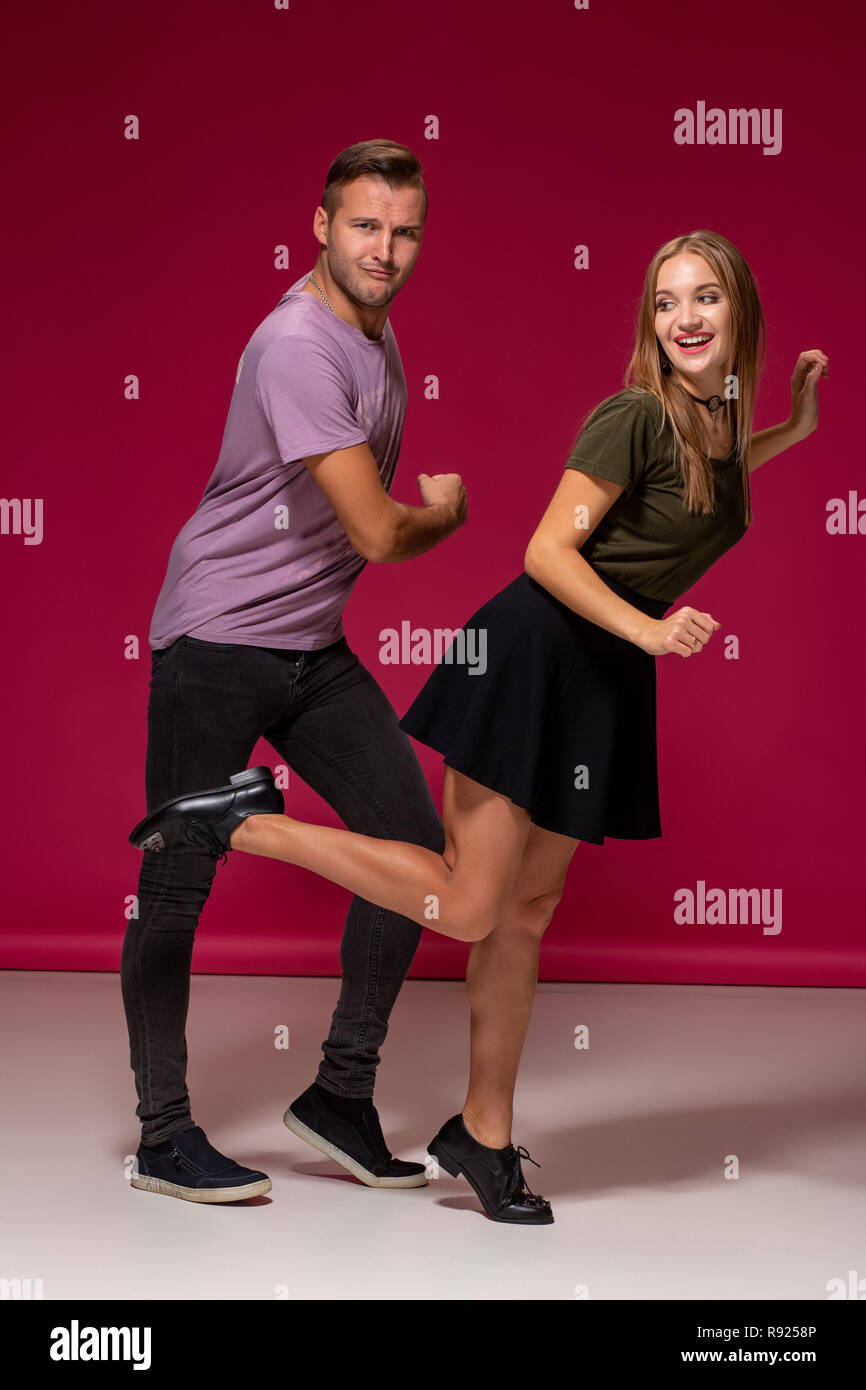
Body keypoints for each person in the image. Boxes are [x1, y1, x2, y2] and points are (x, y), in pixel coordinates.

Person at [130, 230, 828, 1224]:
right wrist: (650, 628)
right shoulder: (631, 415)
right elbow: (548, 551)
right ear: (648, 321)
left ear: (738, 314)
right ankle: (244, 822)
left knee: (526, 917)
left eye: (704, 298)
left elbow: (712, 487)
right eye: (666, 301)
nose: (684, 318)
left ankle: (484, 1135)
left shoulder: (711, 426)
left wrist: (791, 425)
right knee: (465, 906)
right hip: (532, 656)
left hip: (600, 679)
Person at [122, 138, 472, 1205]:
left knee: (410, 849)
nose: (384, 249)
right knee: (174, 886)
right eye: (363, 226)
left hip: (308, 649)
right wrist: (444, 514)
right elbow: (374, 532)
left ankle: (339, 1097)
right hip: (218, 641)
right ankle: (162, 1137)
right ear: (319, 226)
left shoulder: (377, 333)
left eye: (403, 229)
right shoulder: (297, 346)